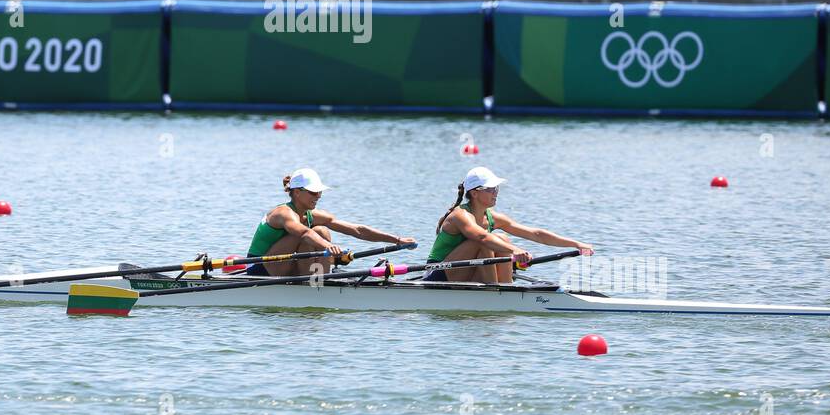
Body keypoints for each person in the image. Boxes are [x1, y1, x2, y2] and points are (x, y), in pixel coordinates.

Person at [426, 167, 593, 283]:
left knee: (502, 238)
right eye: (491, 189)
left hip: (464, 271)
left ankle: (506, 287)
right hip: (438, 274)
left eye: (496, 188)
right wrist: (515, 250)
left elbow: (536, 234)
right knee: (486, 241)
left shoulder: (493, 218)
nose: (496, 192)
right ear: (475, 193)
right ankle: (495, 292)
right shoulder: (460, 215)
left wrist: (576, 244)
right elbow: (482, 237)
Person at [245, 168, 413, 276]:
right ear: (297, 192)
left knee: (321, 231)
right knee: (309, 234)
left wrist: (397, 240)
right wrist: (328, 247)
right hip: (259, 268)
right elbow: (304, 233)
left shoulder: (312, 215)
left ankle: (318, 282)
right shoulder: (283, 213)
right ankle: (313, 286)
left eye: (320, 192)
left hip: (283, 265)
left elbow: (357, 230)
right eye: (313, 192)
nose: (318, 196)